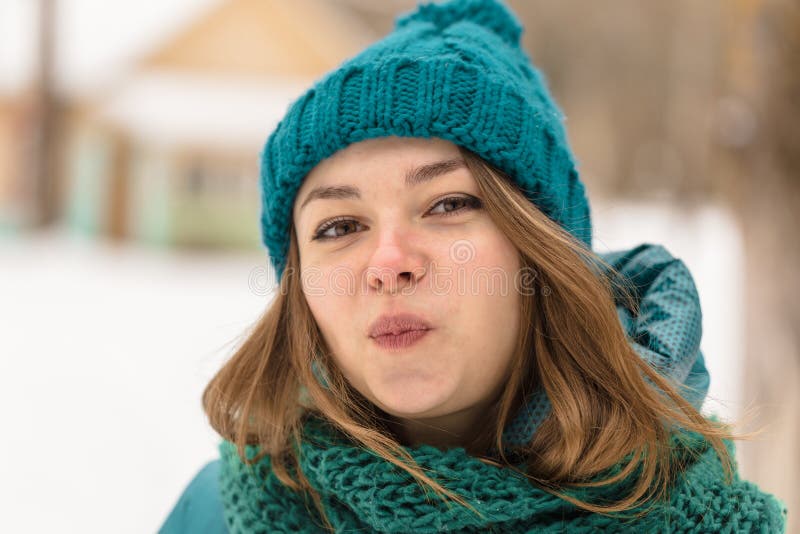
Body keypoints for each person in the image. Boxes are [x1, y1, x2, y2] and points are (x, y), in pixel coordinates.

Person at [160, 0, 789, 532]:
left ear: (542, 254)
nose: (389, 264)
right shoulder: (217, 513)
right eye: (340, 226)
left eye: (448, 203)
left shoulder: (704, 517)